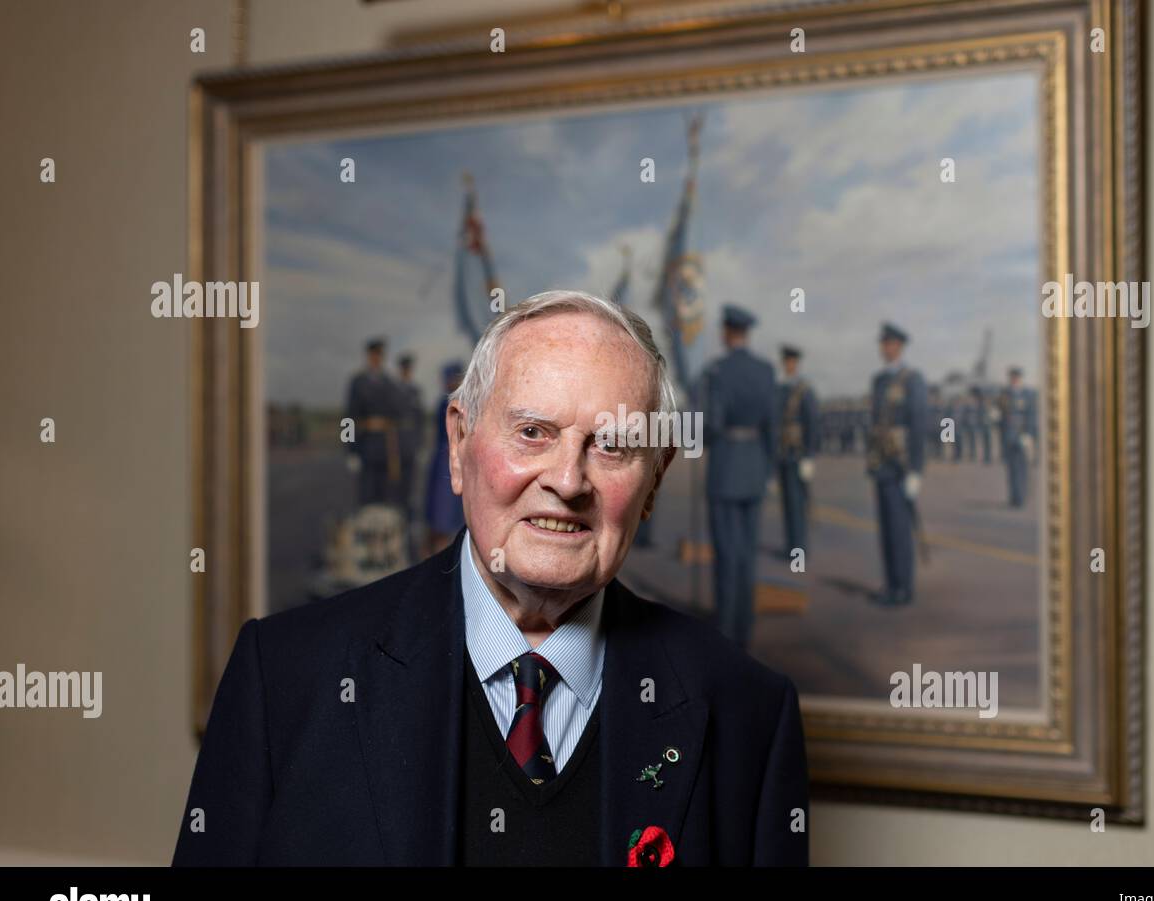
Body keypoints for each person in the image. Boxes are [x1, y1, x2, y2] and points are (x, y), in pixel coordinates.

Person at [173, 290, 808, 867]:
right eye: (532, 433)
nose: (567, 481)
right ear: (457, 444)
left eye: (611, 446)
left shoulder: (747, 710)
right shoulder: (283, 678)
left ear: (654, 482)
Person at [701, 304, 778, 650]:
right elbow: (772, 425)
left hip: (725, 466)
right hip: (754, 467)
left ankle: (726, 626)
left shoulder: (717, 371)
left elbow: (711, 424)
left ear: (726, 332)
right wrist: (769, 469)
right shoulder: (765, 370)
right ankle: (744, 625)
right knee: (747, 552)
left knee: (726, 552)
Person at [865, 322, 927, 607]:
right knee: (886, 528)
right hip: (882, 464)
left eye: (890, 344)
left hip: (901, 465)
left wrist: (916, 470)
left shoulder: (912, 379)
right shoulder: (878, 381)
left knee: (900, 529)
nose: (886, 348)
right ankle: (890, 583)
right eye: (883, 344)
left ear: (900, 347)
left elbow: (917, 425)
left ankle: (903, 588)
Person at [344, 337, 402, 506]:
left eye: (379, 355)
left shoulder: (389, 383)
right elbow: (348, 418)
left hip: (385, 446)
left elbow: (395, 416)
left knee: (385, 494)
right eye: (374, 355)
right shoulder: (357, 382)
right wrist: (350, 451)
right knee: (366, 494)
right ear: (368, 356)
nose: (376, 358)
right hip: (366, 444)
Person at [776, 345, 819, 557]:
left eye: (791, 361)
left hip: (798, 454)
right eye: (786, 361)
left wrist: (809, 457)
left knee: (798, 504)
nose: (788, 365)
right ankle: (791, 546)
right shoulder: (780, 388)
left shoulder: (805, 390)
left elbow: (812, 424)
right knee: (787, 503)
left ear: (796, 363)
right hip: (783, 454)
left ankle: (799, 548)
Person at [423, 360, 466, 557]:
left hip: (455, 460)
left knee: (453, 519)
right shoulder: (447, 403)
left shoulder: (461, 402)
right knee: (440, 516)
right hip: (445, 462)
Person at [394, 352, 425, 524]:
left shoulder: (415, 391)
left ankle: (408, 520)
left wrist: (419, 444)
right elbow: (349, 419)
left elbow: (419, 419)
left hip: (410, 443)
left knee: (411, 486)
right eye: (404, 369)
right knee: (395, 485)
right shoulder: (392, 391)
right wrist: (350, 445)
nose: (407, 372)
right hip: (394, 445)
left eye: (409, 369)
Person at [999, 366, 1037, 508]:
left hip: (1022, 435)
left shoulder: (1027, 395)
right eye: (1012, 378)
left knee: (1022, 468)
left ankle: (1021, 498)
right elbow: (1001, 415)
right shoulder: (1005, 394)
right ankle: (1013, 497)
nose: (1014, 380)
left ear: (1020, 379)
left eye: (1016, 378)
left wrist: (1029, 434)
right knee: (1011, 469)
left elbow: (1031, 415)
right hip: (1009, 435)